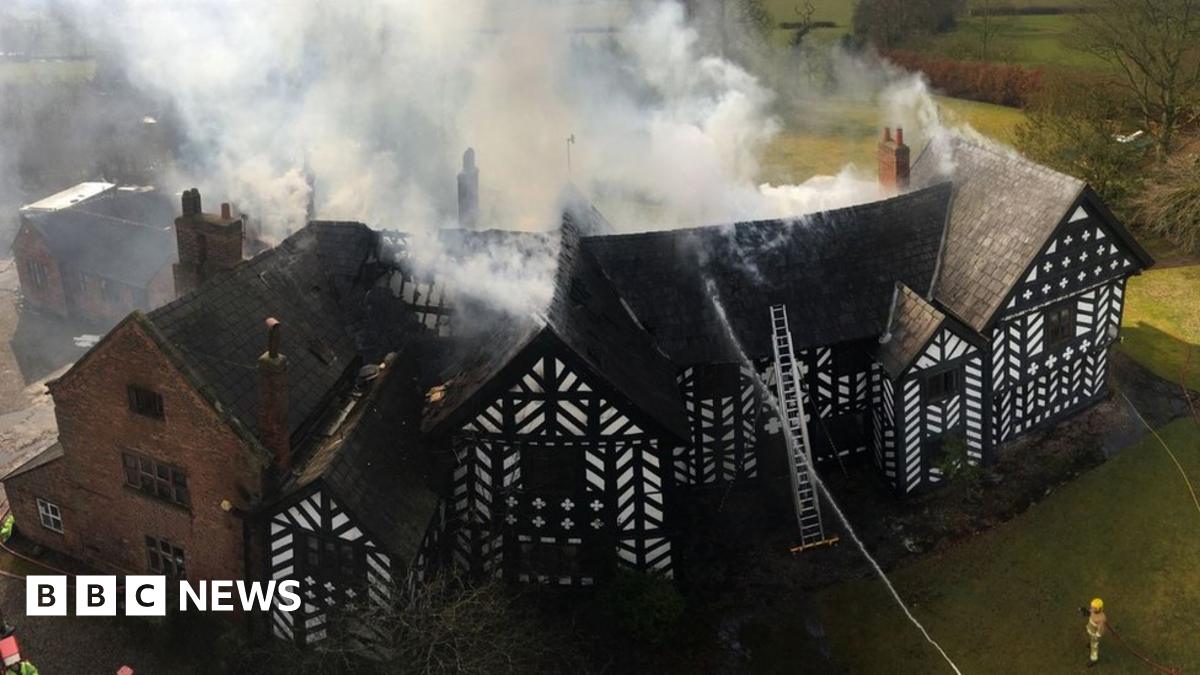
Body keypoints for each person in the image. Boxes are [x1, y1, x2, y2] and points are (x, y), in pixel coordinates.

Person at [1085, 597, 1107, 667]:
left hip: (1095, 633)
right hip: (1091, 629)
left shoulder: (1101, 618)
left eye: (1094, 608)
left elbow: (1101, 628)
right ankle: (1091, 642)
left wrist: (1097, 635)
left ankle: (1094, 659)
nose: (1091, 609)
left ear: (1098, 609)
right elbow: (1089, 613)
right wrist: (1085, 612)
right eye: (1092, 607)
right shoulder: (1092, 610)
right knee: (1091, 639)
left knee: (1094, 646)